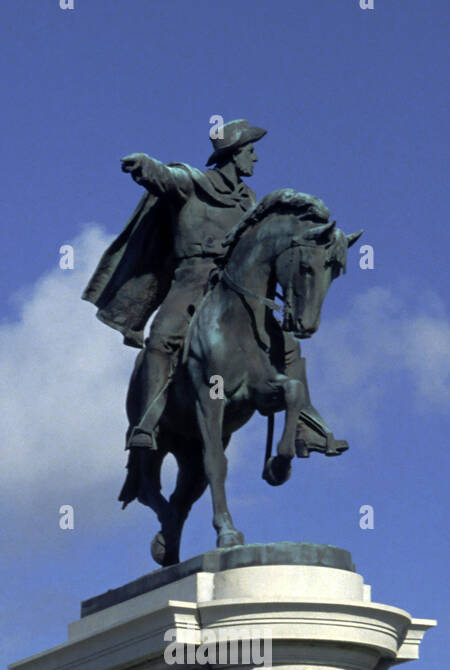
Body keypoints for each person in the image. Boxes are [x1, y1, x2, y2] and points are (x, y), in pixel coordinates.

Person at [83, 119, 348, 457]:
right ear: (234, 154)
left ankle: (303, 427)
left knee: (289, 345)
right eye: (251, 152)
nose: (255, 159)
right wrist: (145, 166)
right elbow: (167, 176)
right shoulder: (194, 184)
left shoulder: (247, 201)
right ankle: (147, 422)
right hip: (191, 280)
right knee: (162, 338)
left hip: (231, 285)